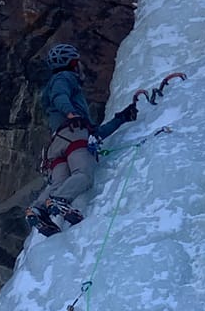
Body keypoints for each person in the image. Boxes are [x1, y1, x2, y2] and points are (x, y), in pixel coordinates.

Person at [26, 43, 138, 236]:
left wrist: (120, 119)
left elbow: (95, 134)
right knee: (84, 174)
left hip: (57, 143)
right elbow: (60, 96)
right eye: (77, 62)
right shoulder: (64, 77)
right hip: (74, 135)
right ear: (72, 63)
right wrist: (71, 113)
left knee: (58, 181)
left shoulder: (60, 103)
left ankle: (38, 209)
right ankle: (60, 200)